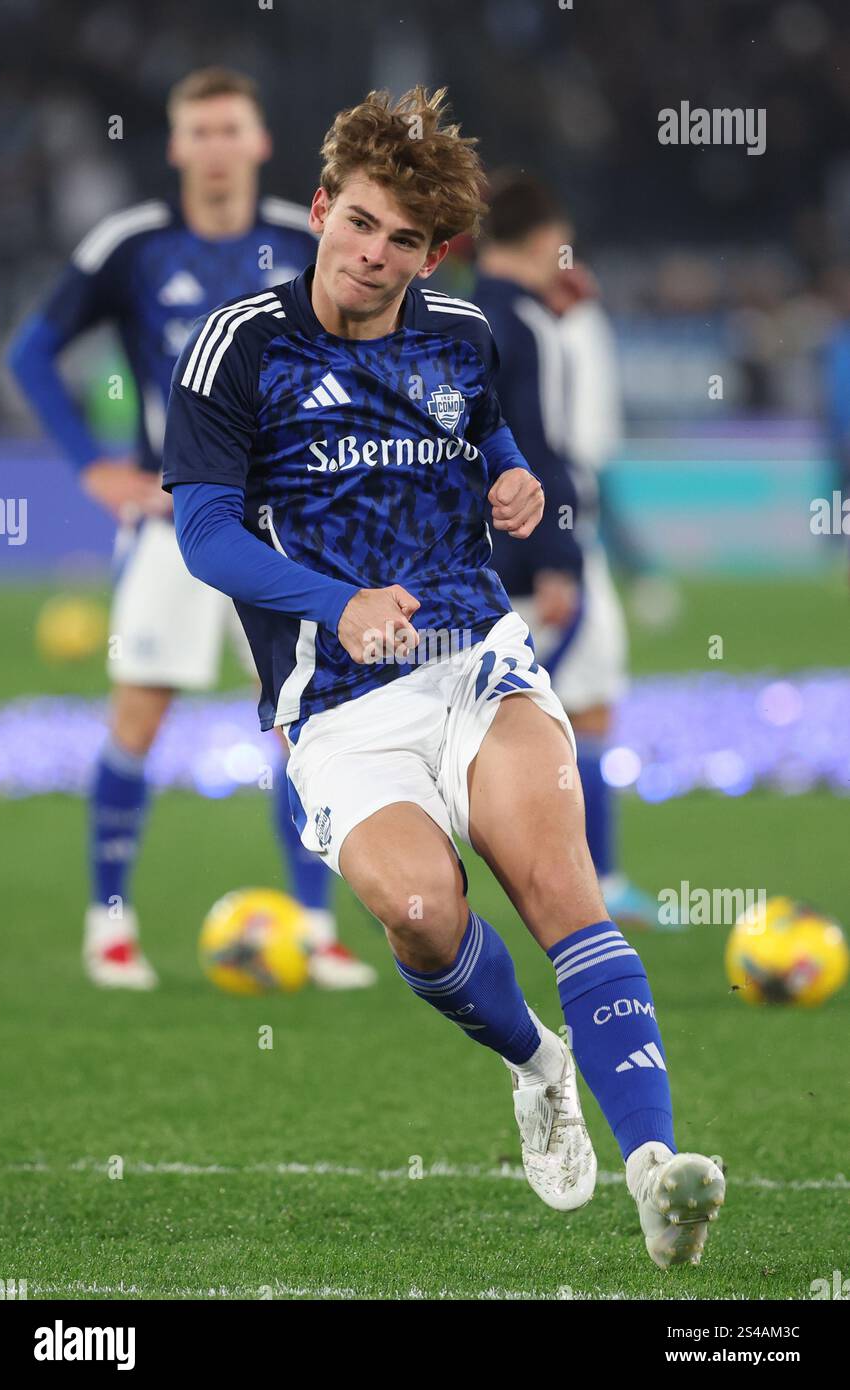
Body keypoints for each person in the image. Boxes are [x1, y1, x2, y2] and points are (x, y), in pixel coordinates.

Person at [162, 86, 725, 1268]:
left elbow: (499, 447)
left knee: (563, 889)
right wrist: (338, 605)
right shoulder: (240, 348)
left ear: (434, 251)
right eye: (359, 223)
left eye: (404, 240)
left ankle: (654, 1173)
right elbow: (207, 538)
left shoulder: (462, 335)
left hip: (474, 660)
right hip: (333, 707)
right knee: (418, 915)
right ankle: (538, 1065)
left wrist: (516, 488)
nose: (374, 255)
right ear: (319, 208)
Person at [8, 66, 377, 992]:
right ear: (176, 148)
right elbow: (32, 351)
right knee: (141, 711)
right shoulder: (132, 245)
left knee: (302, 724)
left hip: (284, 527)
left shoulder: (310, 238)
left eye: (231, 130)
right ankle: (111, 927)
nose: (216, 147)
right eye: (199, 131)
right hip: (176, 523)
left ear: (258, 144)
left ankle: (312, 925)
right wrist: (93, 464)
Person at [473, 173, 663, 928]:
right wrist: (557, 556)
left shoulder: (459, 315)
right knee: (578, 708)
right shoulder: (530, 321)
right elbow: (541, 448)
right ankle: (593, 881)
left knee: (497, 709)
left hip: (481, 546)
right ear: (549, 241)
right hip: (542, 544)